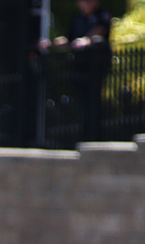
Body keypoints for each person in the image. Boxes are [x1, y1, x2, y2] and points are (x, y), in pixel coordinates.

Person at [38, 0, 113, 141]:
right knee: (81, 104)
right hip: (79, 68)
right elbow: (68, 39)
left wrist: (86, 41)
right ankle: (82, 136)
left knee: (93, 103)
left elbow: (98, 32)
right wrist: (51, 44)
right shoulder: (77, 19)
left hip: (96, 67)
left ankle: (94, 136)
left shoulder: (102, 16)